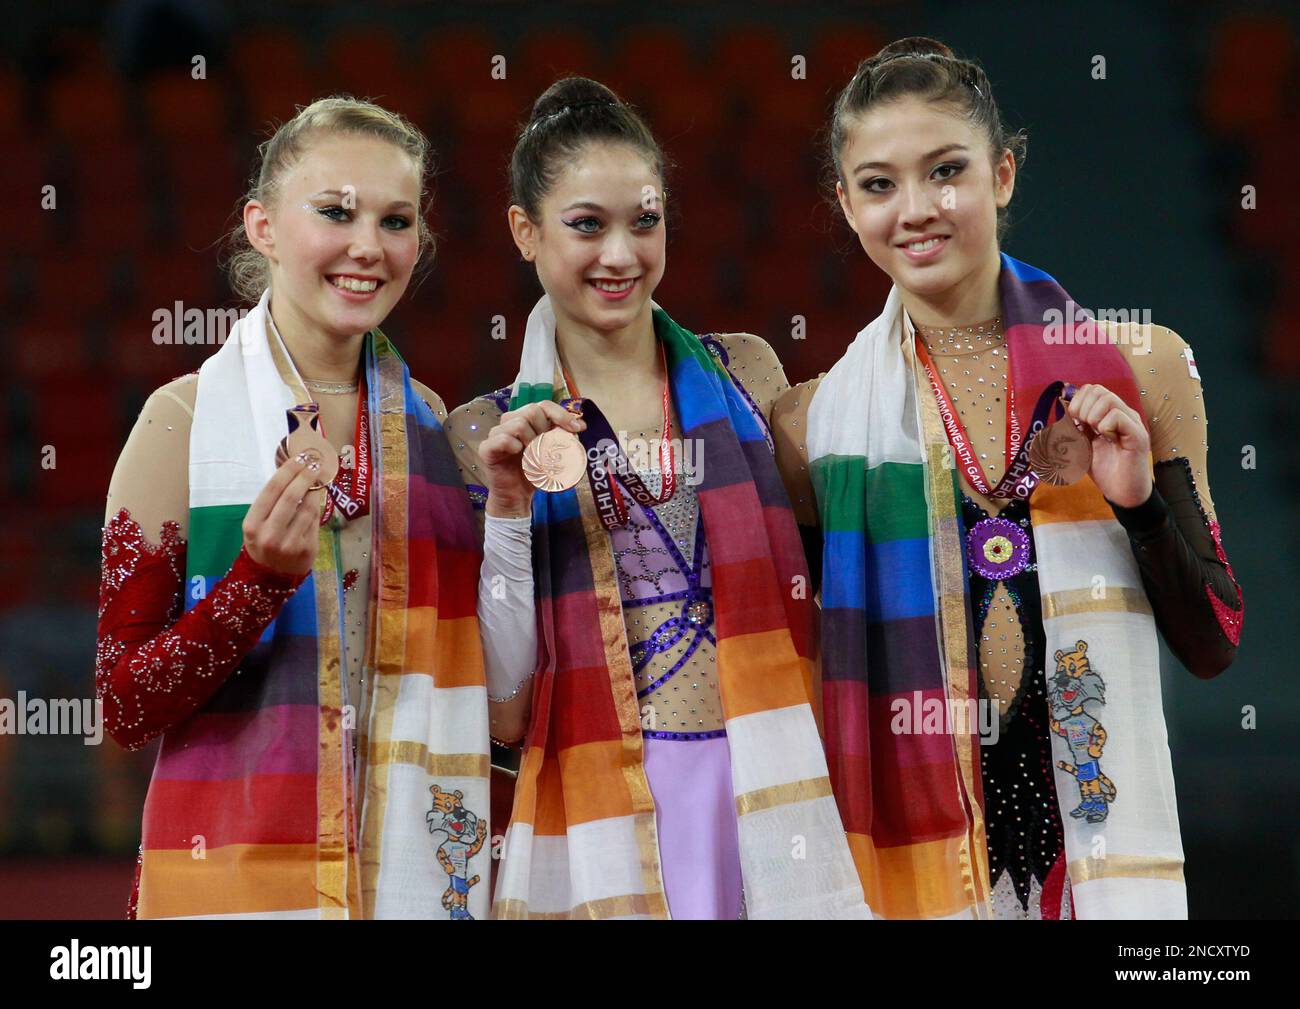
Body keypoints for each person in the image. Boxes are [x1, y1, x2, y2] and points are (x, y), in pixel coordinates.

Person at [773, 37, 1244, 920]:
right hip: (913, 875)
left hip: (1096, 871)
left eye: (946, 171)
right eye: (878, 184)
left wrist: (1137, 504)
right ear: (844, 205)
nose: (915, 209)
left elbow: (1215, 641)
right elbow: (805, 689)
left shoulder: (1141, 367)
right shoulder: (814, 427)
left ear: (1004, 175)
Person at [445, 77, 868, 920]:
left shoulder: (747, 373)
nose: (622, 254)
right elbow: (503, 707)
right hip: (601, 798)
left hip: (776, 783)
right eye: (586, 225)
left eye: (645, 220)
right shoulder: (482, 432)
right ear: (524, 231)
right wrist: (505, 509)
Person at [96, 96, 491, 920]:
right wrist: (256, 583)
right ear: (263, 226)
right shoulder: (182, 421)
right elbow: (126, 705)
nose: (367, 247)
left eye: (396, 220)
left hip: (410, 881)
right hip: (236, 888)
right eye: (335, 212)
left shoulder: (430, 427)